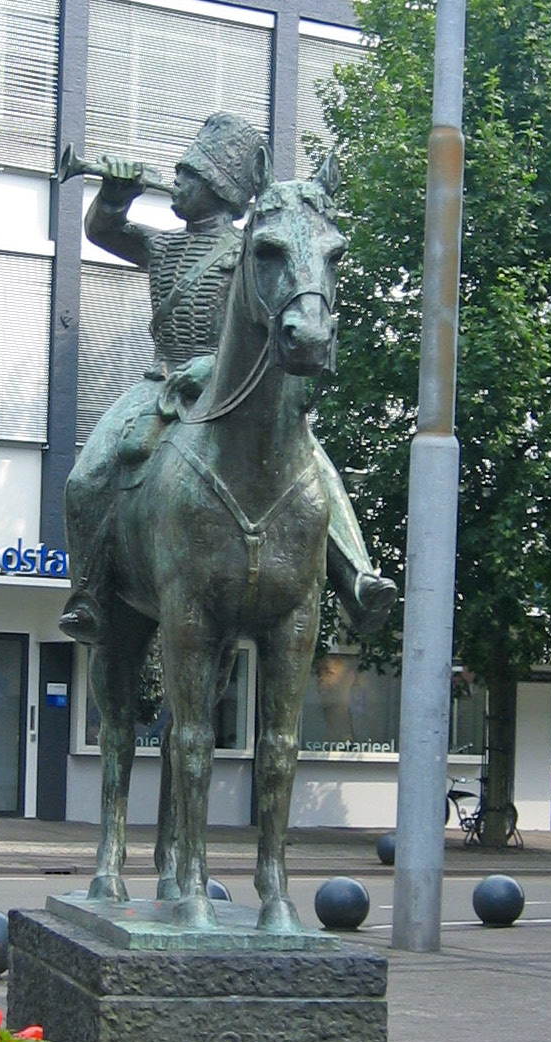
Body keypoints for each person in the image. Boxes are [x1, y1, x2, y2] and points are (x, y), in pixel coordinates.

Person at [60, 111, 395, 644]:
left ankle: (356, 575)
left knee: (312, 463)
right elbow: (104, 231)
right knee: (86, 477)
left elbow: (254, 326)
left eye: (189, 175)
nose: (177, 182)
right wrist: (114, 196)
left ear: (218, 188)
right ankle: (89, 594)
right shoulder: (163, 245)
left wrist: (214, 365)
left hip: (232, 382)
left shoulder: (252, 250)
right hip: (161, 382)